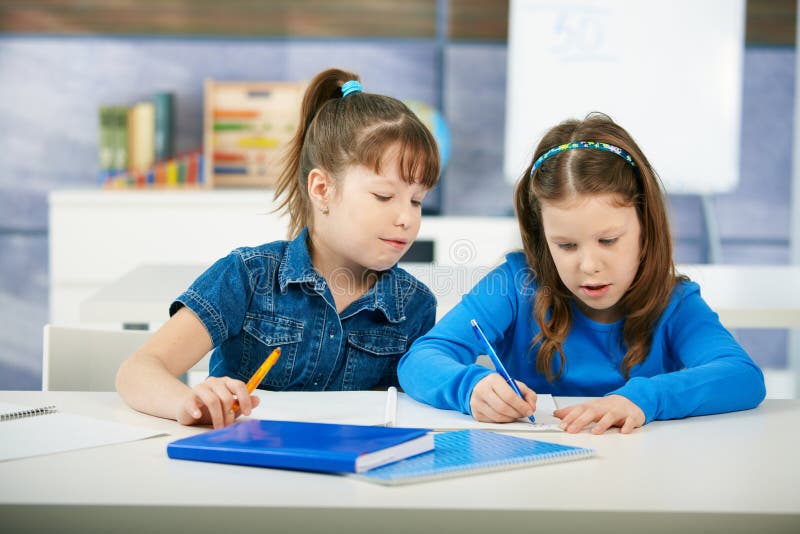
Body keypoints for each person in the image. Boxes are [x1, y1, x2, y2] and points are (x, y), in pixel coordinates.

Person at [397, 112, 765, 434]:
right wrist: (471, 388)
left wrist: (643, 398)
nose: (589, 265)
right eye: (566, 246)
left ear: (645, 228)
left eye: (608, 240)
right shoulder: (515, 284)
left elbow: (742, 376)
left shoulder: (675, 303)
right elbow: (421, 360)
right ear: (543, 238)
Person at [116, 68, 440, 428]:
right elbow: (138, 371)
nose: (406, 218)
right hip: (245, 470)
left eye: (417, 200)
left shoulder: (415, 306)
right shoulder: (248, 276)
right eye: (384, 196)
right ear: (322, 190)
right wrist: (190, 402)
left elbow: (405, 414)